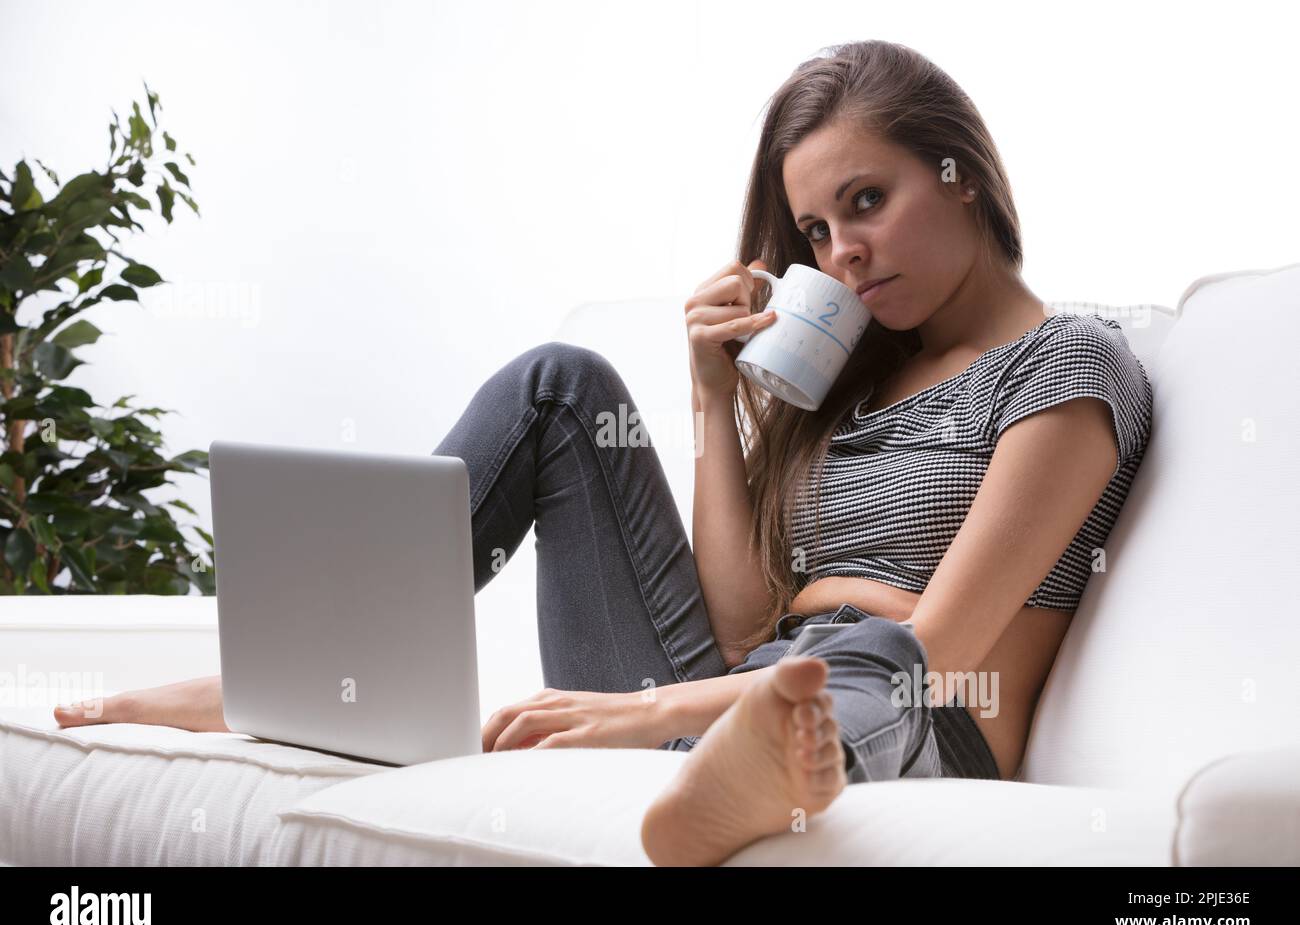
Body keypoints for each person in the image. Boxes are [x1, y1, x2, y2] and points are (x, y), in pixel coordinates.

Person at [54, 40, 1153, 868]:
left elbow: (943, 642)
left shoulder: (1064, 362)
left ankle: (761, 768)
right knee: (560, 382)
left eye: (866, 201)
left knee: (848, 669)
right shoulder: (854, 379)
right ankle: (299, 667)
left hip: (913, 702)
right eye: (816, 230)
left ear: (959, 173)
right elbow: (734, 626)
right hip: (741, 689)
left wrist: (644, 712)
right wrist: (710, 394)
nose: (842, 252)